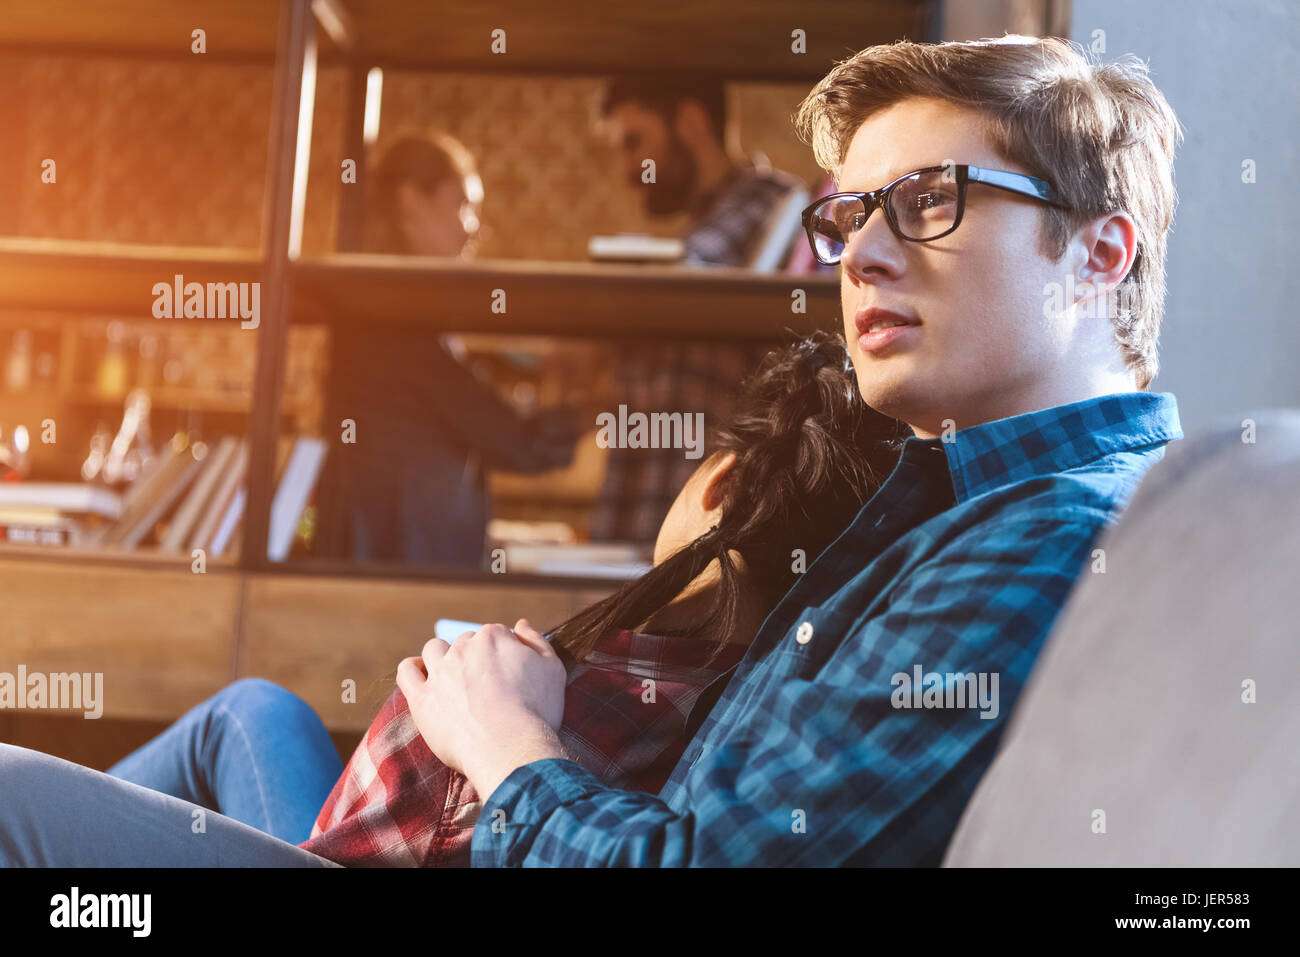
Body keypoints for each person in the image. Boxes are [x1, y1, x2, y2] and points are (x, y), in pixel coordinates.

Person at [390, 35, 1186, 866]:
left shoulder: (1051, 534)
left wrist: (504, 741)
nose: (863, 258)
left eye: (928, 201)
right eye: (850, 218)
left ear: (1100, 254)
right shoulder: (963, 515)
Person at [0, 333, 905, 865]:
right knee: (250, 709)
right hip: (348, 840)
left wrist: (482, 723)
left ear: (723, 485)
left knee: (15, 788)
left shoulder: (643, 688)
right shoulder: (763, 680)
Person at [315, 132, 576, 567]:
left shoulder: (391, 314)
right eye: (463, 205)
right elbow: (515, 443)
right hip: (396, 578)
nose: (475, 226)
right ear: (411, 201)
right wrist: (598, 405)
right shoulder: (394, 325)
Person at [588, 75, 807, 543]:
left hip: (703, 518)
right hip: (651, 508)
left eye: (635, 141)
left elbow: (691, 270)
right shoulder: (707, 226)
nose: (629, 168)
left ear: (689, 122)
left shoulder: (771, 202)